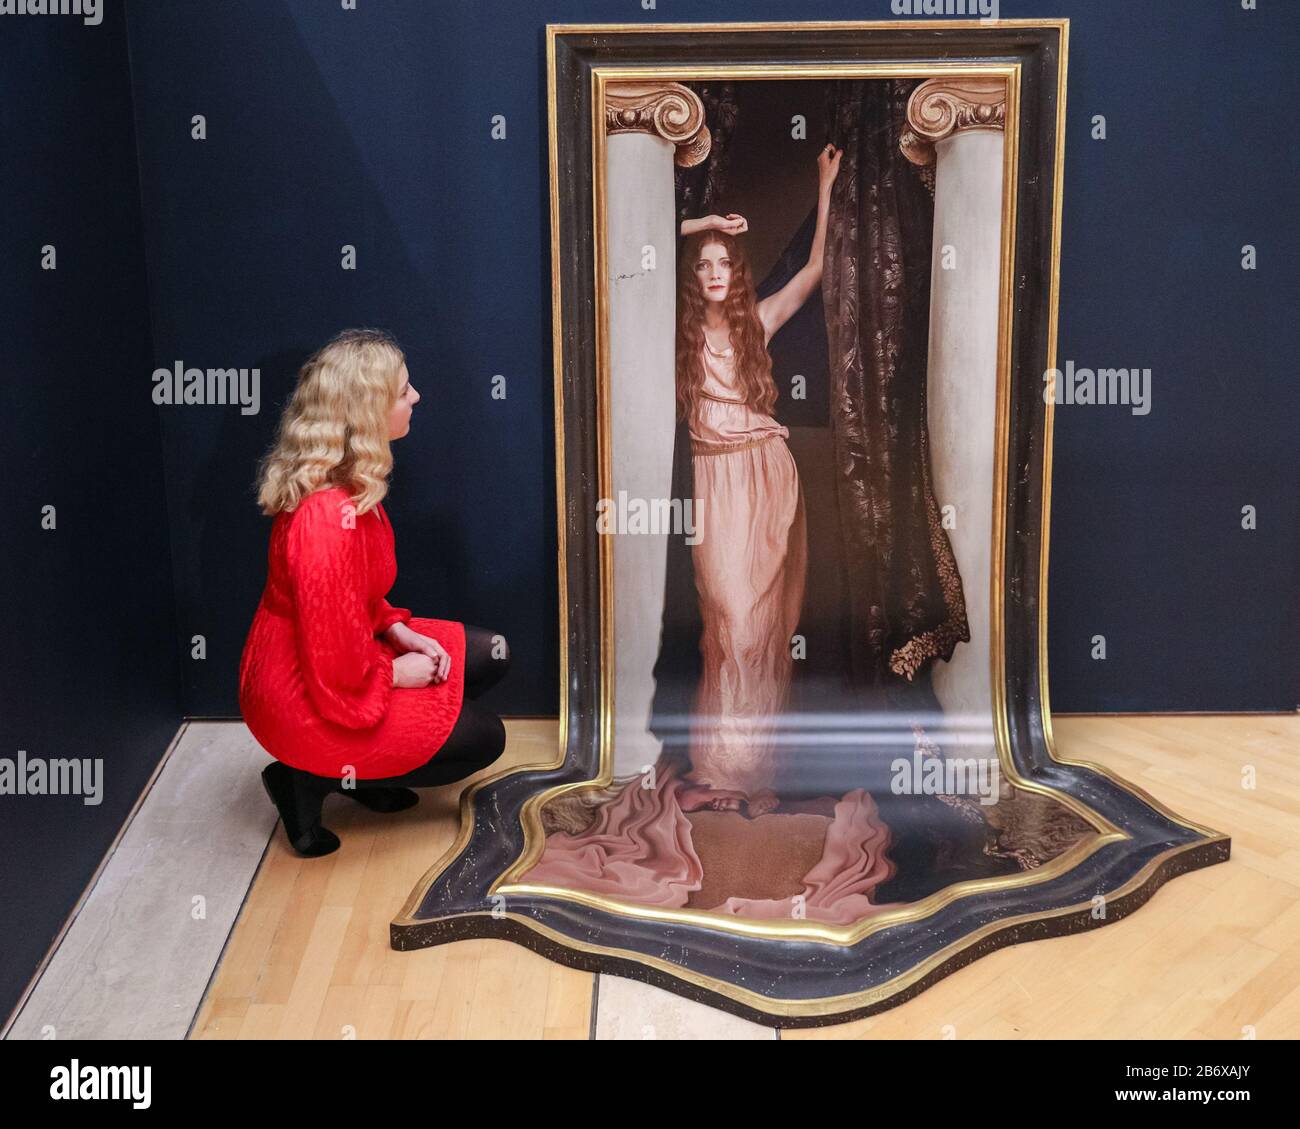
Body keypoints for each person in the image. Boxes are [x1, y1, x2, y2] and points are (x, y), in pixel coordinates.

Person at [238, 328, 510, 857]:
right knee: (483, 738)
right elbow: (333, 660)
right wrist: (393, 674)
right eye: (404, 391)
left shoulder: (352, 482)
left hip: (340, 655)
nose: (416, 397)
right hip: (305, 692)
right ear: (368, 412)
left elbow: (355, 601)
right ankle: (305, 779)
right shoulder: (325, 519)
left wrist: (395, 627)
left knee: (488, 655)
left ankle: (361, 773)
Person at [674, 142, 842, 818]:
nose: (716, 273)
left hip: (767, 478)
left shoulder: (759, 323)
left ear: (736, 274)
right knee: (727, 620)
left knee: (765, 624)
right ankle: (718, 766)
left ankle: (753, 767)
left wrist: (824, 183)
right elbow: (627, 249)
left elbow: (817, 268)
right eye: (705, 265)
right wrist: (702, 222)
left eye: (724, 264)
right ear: (694, 276)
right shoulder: (679, 331)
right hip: (715, 485)